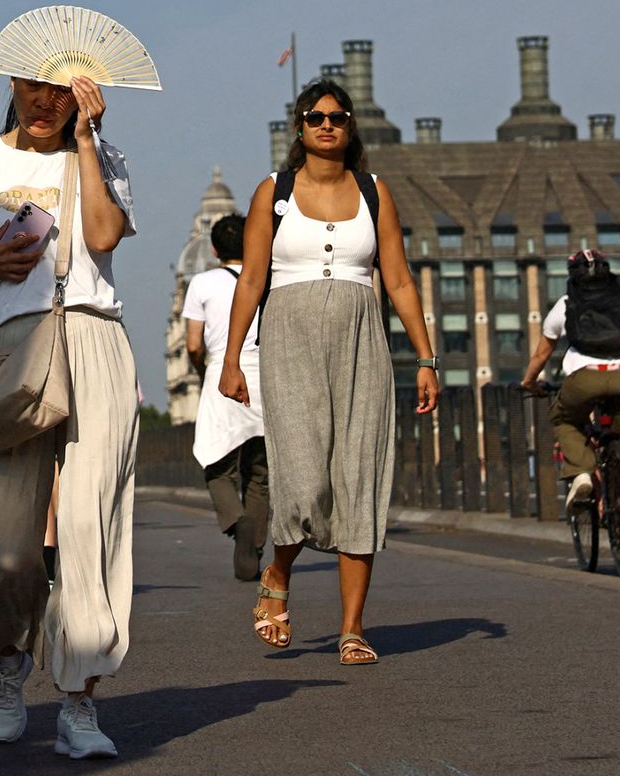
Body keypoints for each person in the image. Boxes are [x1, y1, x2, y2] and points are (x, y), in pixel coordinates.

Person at [0, 70, 139, 758]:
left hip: (94, 340)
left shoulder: (102, 155)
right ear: (12, 84)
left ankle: (79, 701)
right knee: (10, 549)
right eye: (33, 88)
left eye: (62, 91)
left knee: (89, 534)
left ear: (83, 96)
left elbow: (103, 235)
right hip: (8, 354)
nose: (46, 102)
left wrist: (90, 141)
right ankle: (8, 662)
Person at [219, 78, 440, 667]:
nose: (326, 125)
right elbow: (251, 280)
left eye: (337, 117)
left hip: (363, 341)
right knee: (303, 476)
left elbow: (397, 280)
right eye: (315, 117)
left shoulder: (374, 192)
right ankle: (279, 570)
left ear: (350, 126)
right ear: (299, 126)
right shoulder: (274, 192)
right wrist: (232, 356)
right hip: (289, 341)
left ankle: (352, 627)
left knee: (360, 475)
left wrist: (425, 358)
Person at [520, 248, 620, 528]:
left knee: (564, 418)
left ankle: (581, 472)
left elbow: (541, 356)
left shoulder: (565, 304)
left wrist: (529, 383)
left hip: (584, 379)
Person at [182, 213, 268, 581]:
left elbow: (192, 344)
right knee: (261, 469)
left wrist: (204, 373)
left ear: (214, 249)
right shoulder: (266, 278)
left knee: (216, 462)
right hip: (265, 373)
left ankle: (236, 520)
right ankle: (254, 543)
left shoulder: (202, 282)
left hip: (222, 370)